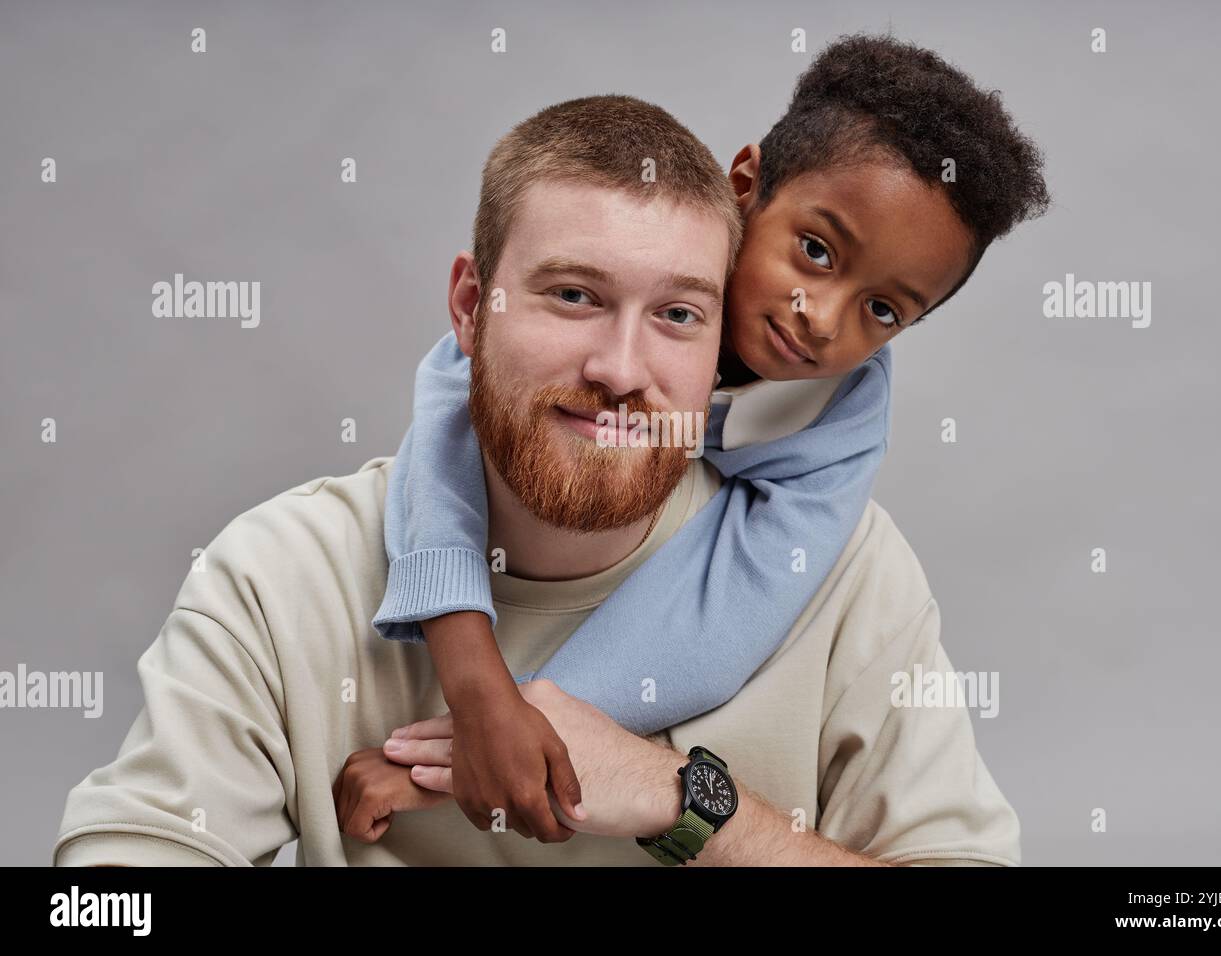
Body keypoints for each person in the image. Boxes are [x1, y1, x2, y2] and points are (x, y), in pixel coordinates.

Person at [55, 90, 1020, 866]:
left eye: (681, 315)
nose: (819, 318)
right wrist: (478, 702)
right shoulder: (280, 577)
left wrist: (685, 802)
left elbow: (733, 606)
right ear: (471, 308)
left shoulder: (847, 564)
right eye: (573, 296)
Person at [369, 33, 1049, 843]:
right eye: (816, 250)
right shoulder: (639, 245)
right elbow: (449, 418)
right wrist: (475, 688)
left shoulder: (838, 435)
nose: (821, 319)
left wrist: (479, 746)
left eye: (885, 310)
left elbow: (717, 624)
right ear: (744, 188)